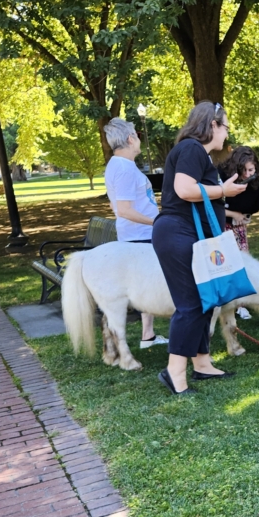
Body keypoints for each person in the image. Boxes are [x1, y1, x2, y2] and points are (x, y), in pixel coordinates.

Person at [151, 102, 247, 395]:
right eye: (226, 127)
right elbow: (184, 189)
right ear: (212, 125)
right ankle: (174, 372)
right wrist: (223, 191)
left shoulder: (196, 153)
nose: (227, 134)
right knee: (191, 303)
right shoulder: (192, 149)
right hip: (178, 233)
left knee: (204, 300)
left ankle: (202, 364)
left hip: (185, 234)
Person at [104, 118, 168, 350]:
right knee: (147, 286)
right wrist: (157, 221)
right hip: (139, 236)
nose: (139, 139)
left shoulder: (121, 165)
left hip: (140, 234)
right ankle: (145, 336)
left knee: (146, 285)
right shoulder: (123, 168)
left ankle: (147, 336)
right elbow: (123, 209)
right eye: (137, 135)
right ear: (130, 139)